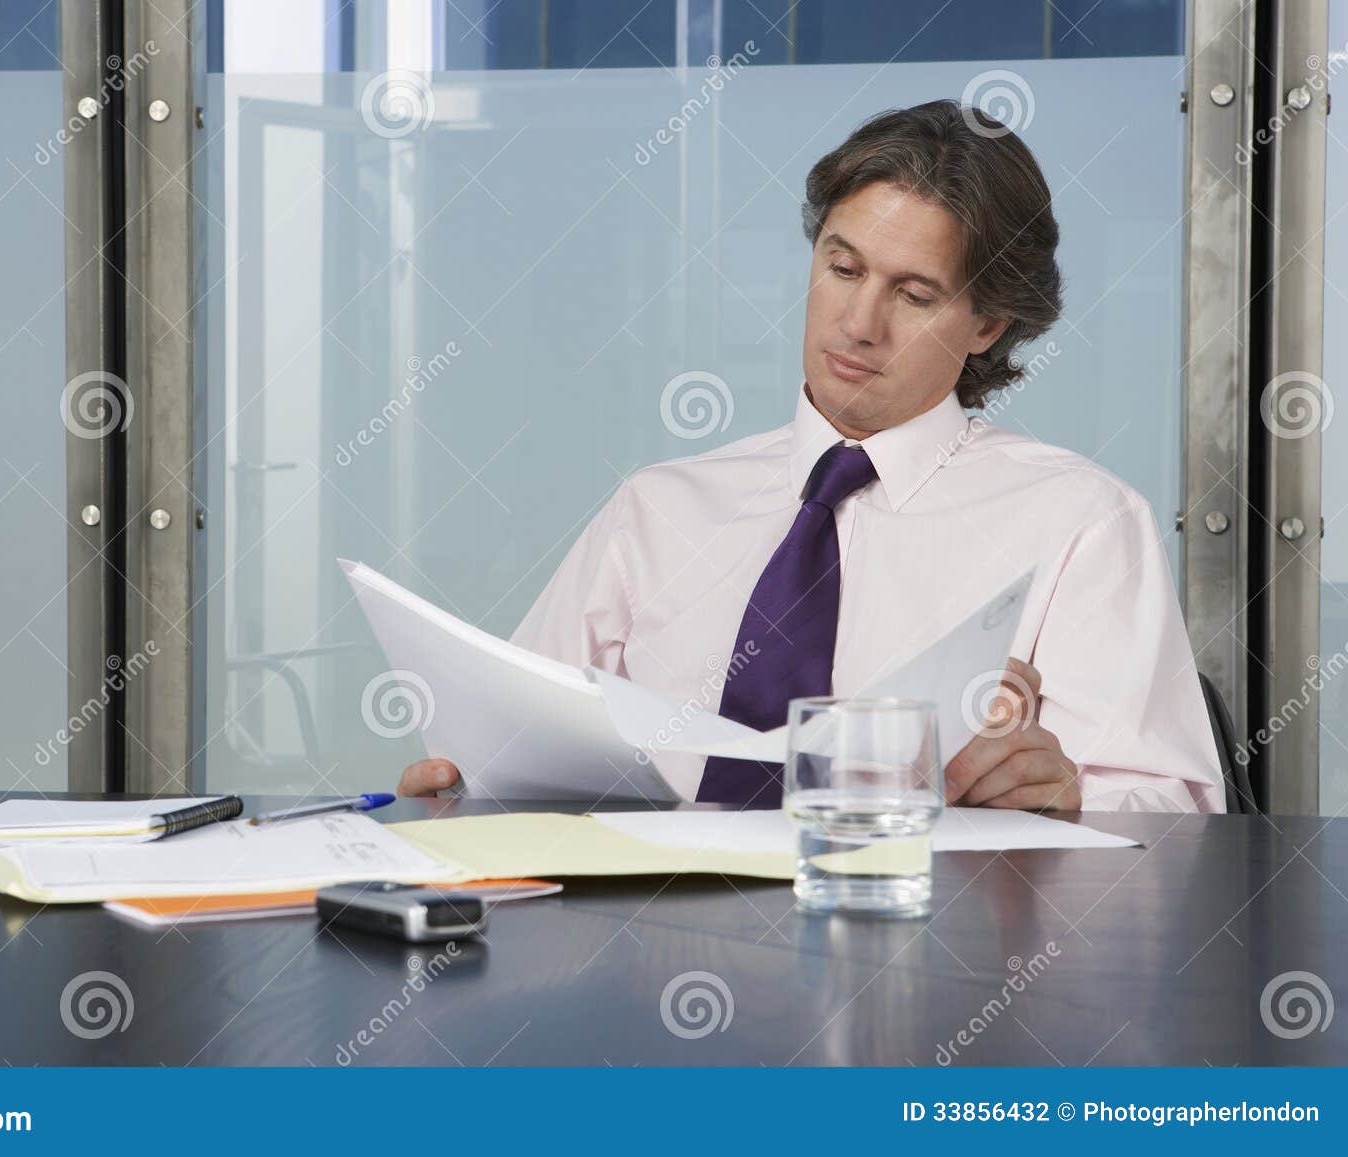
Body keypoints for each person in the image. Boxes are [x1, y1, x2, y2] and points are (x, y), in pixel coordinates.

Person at [400, 98, 1223, 813]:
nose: (860, 323)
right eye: (842, 268)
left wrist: (1070, 793)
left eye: (914, 293)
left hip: (930, 958)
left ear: (987, 324)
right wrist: (460, 787)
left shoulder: (1079, 522)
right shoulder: (659, 509)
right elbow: (507, 745)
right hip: (650, 955)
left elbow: (1179, 813)